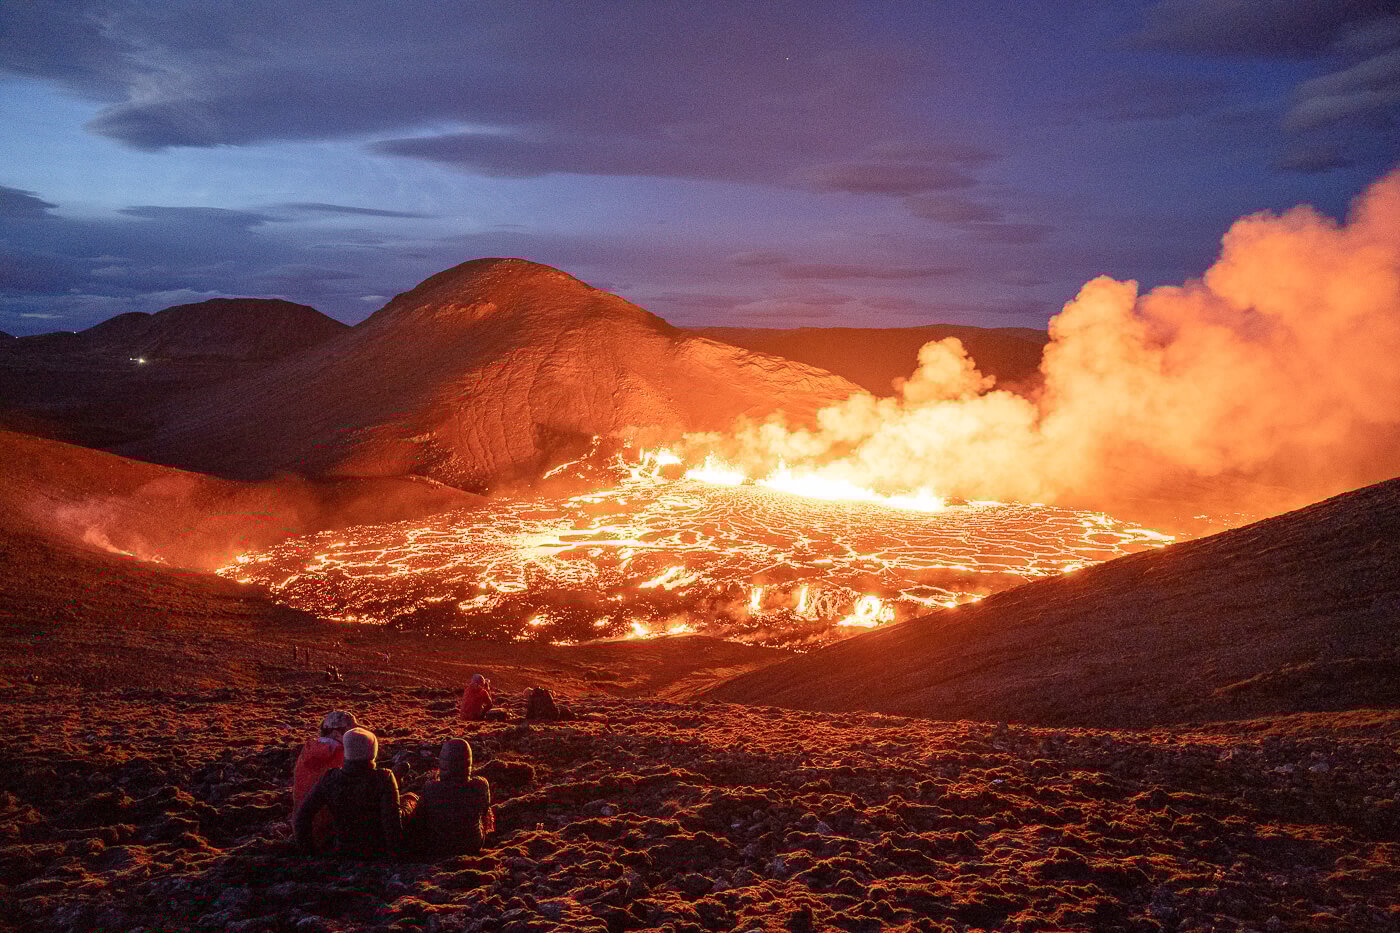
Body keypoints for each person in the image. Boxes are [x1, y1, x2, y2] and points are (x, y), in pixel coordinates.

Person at [294, 727, 414, 857]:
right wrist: (397, 856)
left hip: (342, 849)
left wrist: (309, 852)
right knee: (411, 799)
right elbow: (392, 823)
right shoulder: (383, 778)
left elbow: (302, 816)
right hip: (378, 850)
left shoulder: (330, 778)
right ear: (372, 751)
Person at [404, 738, 494, 858]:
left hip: (437, 847)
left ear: (443, 762)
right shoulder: (481, 785)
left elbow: (419, 820)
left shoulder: (431, 788)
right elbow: (484, 812)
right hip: (473, 845)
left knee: (410, 799)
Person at [291, 710, 357, 852]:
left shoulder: (307, 751)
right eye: (350, 731)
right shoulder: (340, 753)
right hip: (331, 834)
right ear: (336, 732)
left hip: (302, 831)